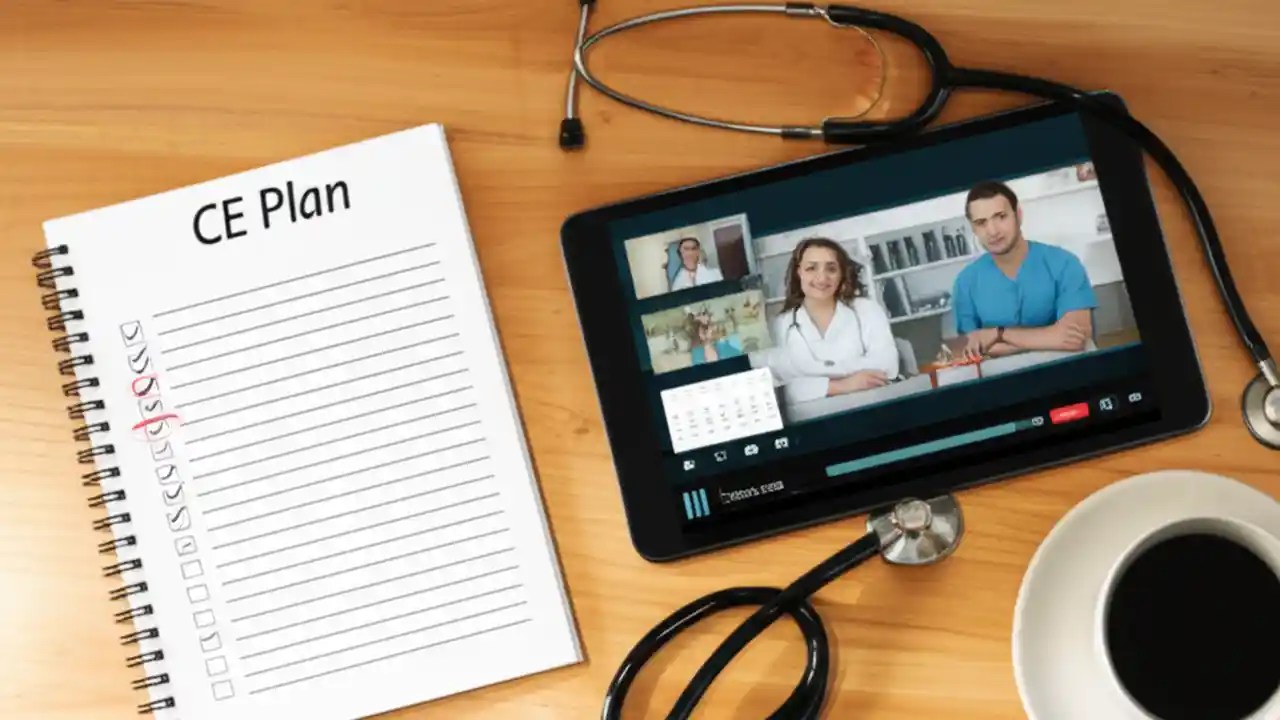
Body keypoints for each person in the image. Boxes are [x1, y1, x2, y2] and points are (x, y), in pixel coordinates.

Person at [952, 180, 1098, 360]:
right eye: (981, 222)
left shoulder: (1064, 263)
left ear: (1018, 215)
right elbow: (972, 348)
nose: (992, 230)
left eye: (1001, 216)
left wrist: (998, 334)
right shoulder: (965, 283)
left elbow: (1074, 339)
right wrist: (1049, 337)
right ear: (973, 228)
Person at [766, 237, 899, 403]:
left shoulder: (866, 310)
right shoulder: (779, 326)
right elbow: (776, 390)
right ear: (798, 272)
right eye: (811, 268)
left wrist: (809, 380)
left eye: (831, 269)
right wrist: (843, 385)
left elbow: (887, 366)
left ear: (841, 274)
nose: (821, 278)